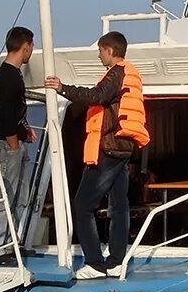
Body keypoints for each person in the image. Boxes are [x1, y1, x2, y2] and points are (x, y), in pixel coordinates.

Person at [44, 31, 150, 279]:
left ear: (110, 51)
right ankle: (115, 262)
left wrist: (62, 88)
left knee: (83, 205)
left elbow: (96, 96)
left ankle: (94, 263)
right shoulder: (129, 74)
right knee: (119, 205)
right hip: (123, 147)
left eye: (101, 51)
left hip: (109, 148)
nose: (99, 55)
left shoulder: (117, 73)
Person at [0, 26, 37, 264]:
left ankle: (11, 243)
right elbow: (4, 115)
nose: (31, 52)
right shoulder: (6, 77)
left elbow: (15, 112)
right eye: (31, 47)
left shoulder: (13, 74)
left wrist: (25, 132)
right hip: (6, 146)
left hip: (14, 142)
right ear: (25, 46)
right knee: (5, 194)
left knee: (18, 196)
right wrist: (14, 144)